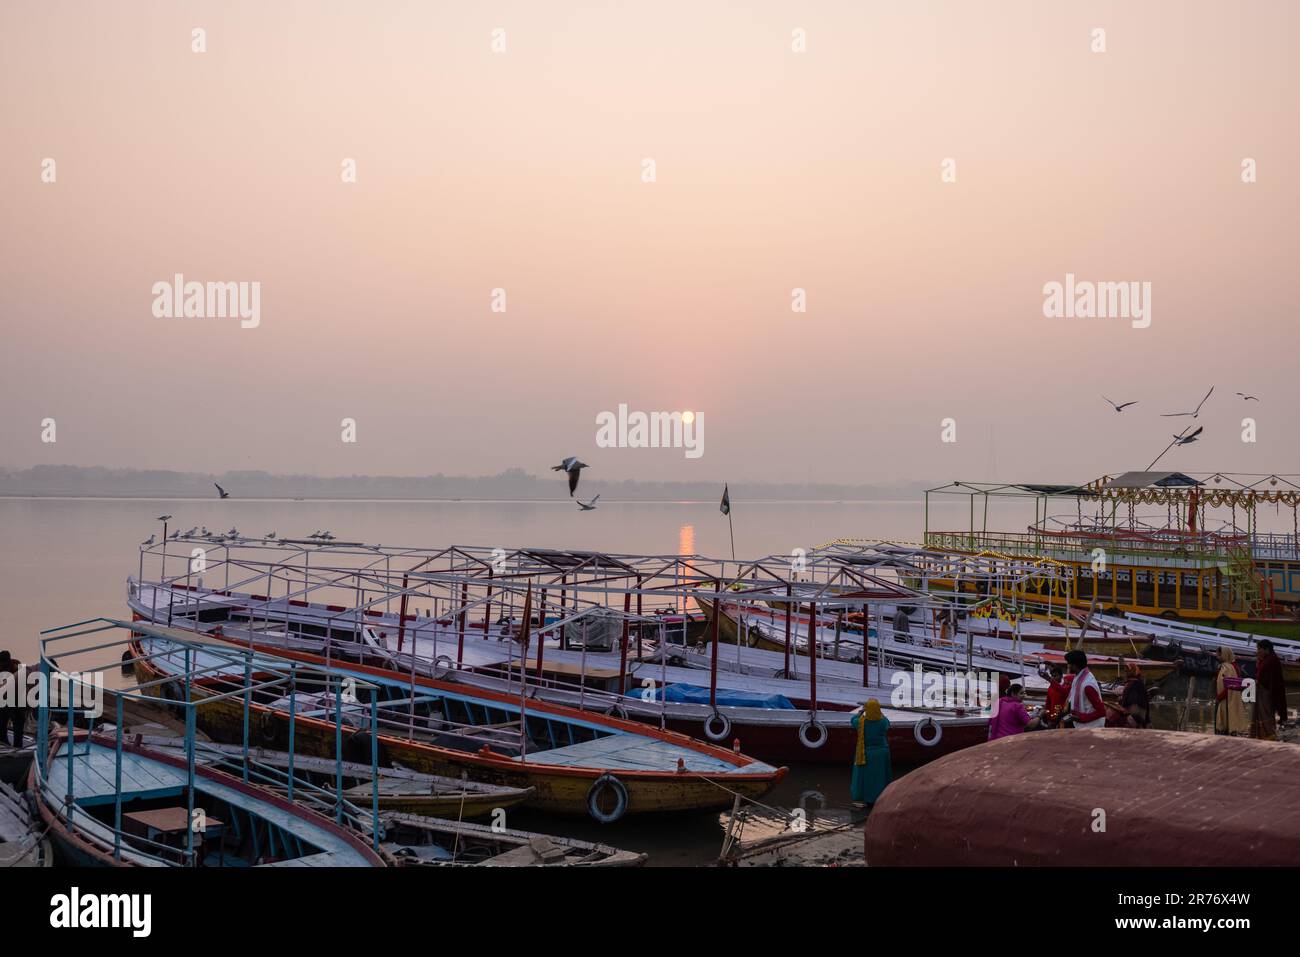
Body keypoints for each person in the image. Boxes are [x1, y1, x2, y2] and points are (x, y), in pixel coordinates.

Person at [850, 698, 892, 807]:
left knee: (869, 779)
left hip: (867, 754)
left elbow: (852, 721)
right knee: (881, 777)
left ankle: (869, 801)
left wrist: (860, 713)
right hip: (882, 753)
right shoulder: (883, 722)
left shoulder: (861, 722)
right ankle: (882, 797)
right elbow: (888, 724)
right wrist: (881, 713)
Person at [1250, 640, 1288, 741]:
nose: (1257, 651)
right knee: (1260, 716)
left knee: (1266, 716)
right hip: (1261, 693)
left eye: (1259, 649)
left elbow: (1275, 682)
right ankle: (1261, 736)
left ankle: (1269, 737)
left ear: (1267, 649)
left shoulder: (1273, 661)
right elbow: (1259, 674)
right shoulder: (1265, 659)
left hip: (1266, 694)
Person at [1062, 650, 1106, 729]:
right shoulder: (1079, 677)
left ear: (1075, 666)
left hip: (1092, 727)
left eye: (1069, 663)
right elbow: (1068, 692)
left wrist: (1081, 717)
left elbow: (1102, 712)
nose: (1067, 666)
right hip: (1083, 725)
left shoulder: (1087, 685)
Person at [1214, 646, 1249, 735]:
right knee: (1225, 723)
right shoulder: (1226, 666)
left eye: (1219, 655)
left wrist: (1219, 697)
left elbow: (1231, 686)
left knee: (1227, 723)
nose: (1217, 657)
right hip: (1224, 699)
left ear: (1225, 655)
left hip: (1227, 700)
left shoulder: (1230, 667)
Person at [0, 650, 25, 748]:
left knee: (18, 723)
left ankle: (17, 746)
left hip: (16, 699)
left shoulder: (16, 666)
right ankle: (4, 743)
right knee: (2, 722)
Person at [1118, 662, 1150, 728]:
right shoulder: (1136, 683)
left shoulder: (1134, 686)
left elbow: (1135, 705)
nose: (1125, 673)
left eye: (1127, 671)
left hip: (1135, 718)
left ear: (1133, 672)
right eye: (1125, 671)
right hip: (1139, 717)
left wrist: (1131, 719)